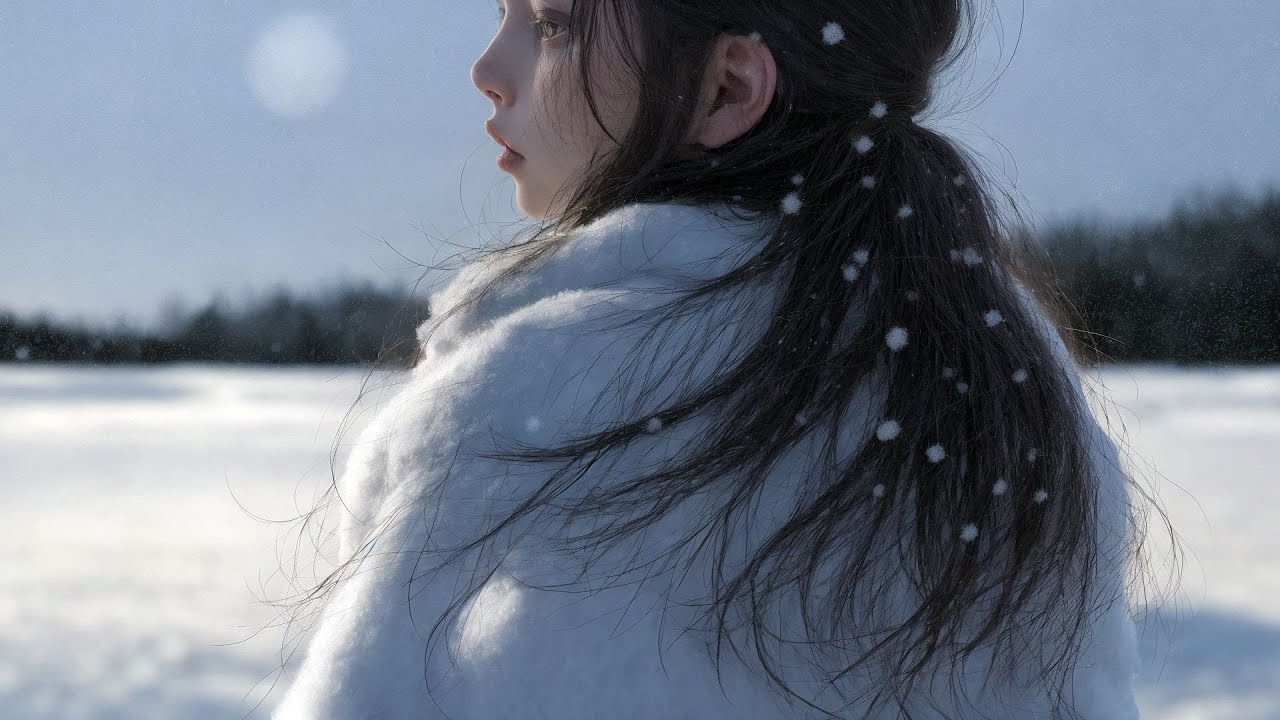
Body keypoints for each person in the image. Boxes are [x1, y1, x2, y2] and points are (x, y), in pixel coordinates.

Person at [270, 0, 1156, 717]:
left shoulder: (533, 398)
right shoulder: (1005, 382)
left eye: (551, 24)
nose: (488, 70)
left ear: (729, 85)